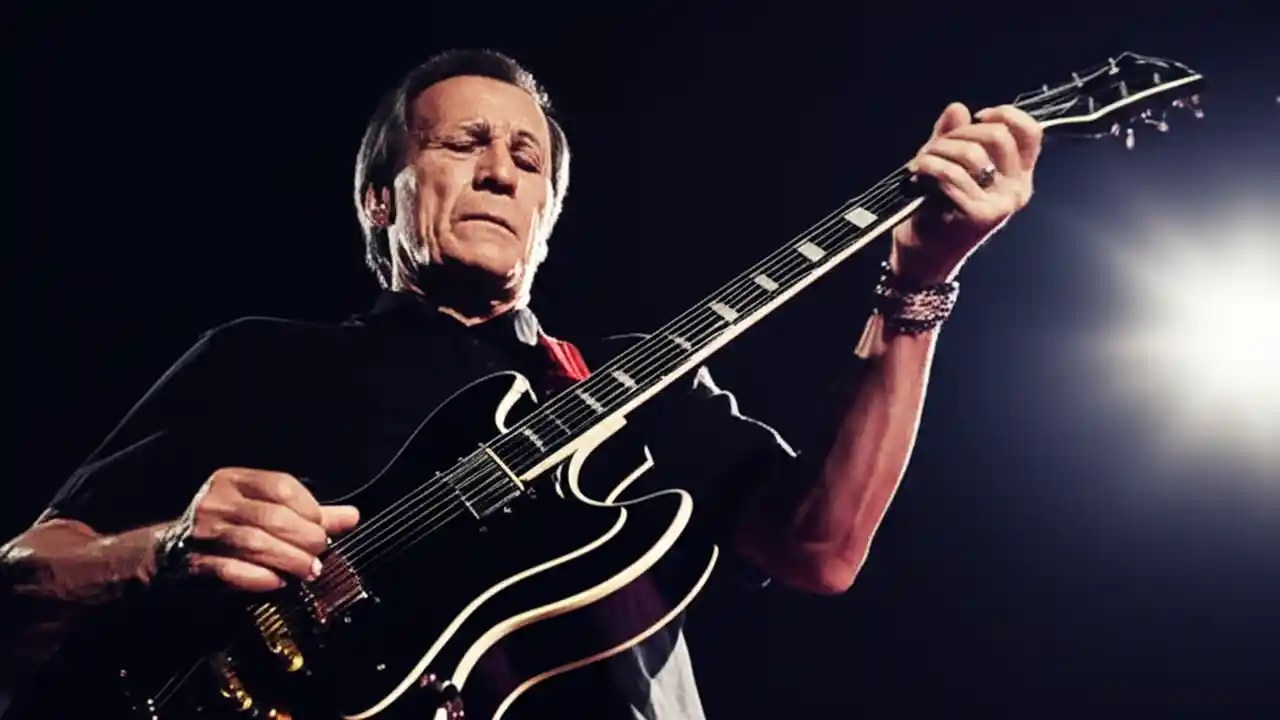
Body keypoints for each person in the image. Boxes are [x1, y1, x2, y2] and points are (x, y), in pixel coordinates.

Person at [0, 48, 1042, 719]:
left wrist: (918, 279)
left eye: (528, 159)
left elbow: (819, 550)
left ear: (546, 216)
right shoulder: (262, 357)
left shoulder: (631, 382)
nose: (502, 170)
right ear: (378, 198)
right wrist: (164, 551)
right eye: (463, 143)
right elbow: (26, 579)